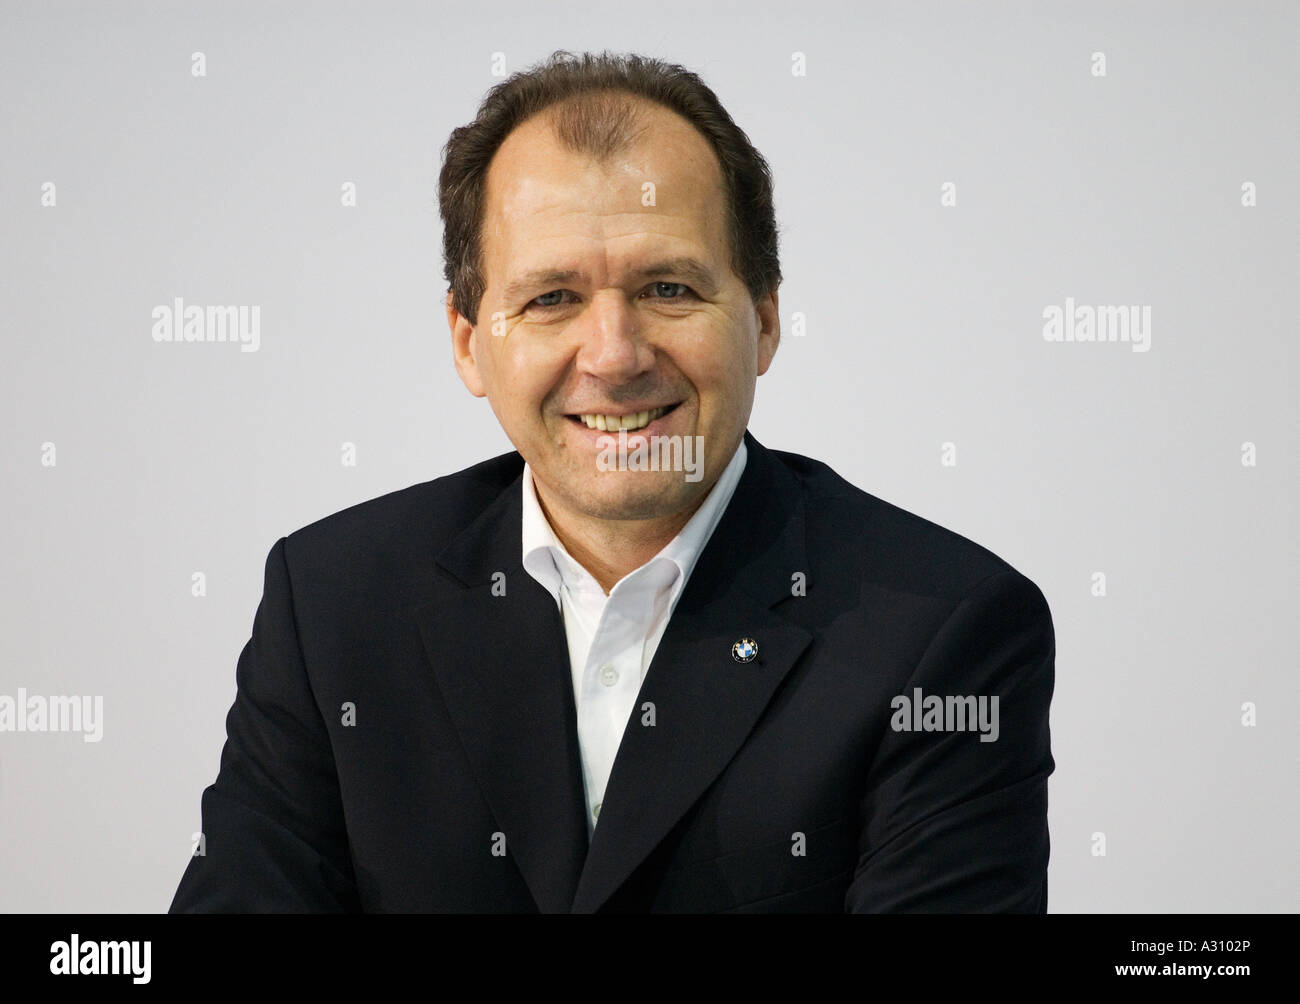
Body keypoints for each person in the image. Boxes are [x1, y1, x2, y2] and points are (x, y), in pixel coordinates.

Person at [169, 50, 1055, 913]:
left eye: (668, 287)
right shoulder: (331, 602)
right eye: (551, 298)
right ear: (469, 341)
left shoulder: (949, 631)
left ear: (766, 320)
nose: (615, 355)